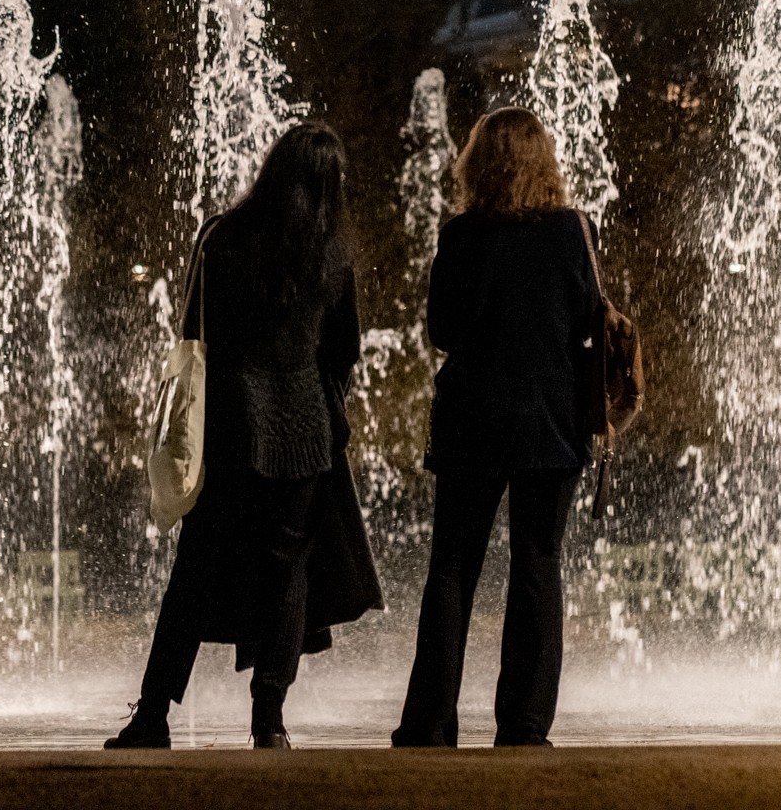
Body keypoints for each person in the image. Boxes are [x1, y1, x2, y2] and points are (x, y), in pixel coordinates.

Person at [107, 122, 383, 750]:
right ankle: (270, 720)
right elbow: (345, 351)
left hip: (232, 427)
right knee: (287, 574)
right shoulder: (330, 252)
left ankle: (152, 715)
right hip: (304, 434)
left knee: (195, 570)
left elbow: (191, 332)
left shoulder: (223, 236)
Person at [392, 107, 622, 748]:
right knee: (538, 565)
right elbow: (586, 322)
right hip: (551, 421)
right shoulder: (577, 232)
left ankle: (429, 722)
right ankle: (523, 725)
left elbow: (442, 332)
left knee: (452, 569)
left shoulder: (461, 237)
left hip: (473, 421)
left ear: (477, 164)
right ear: (545, 162)